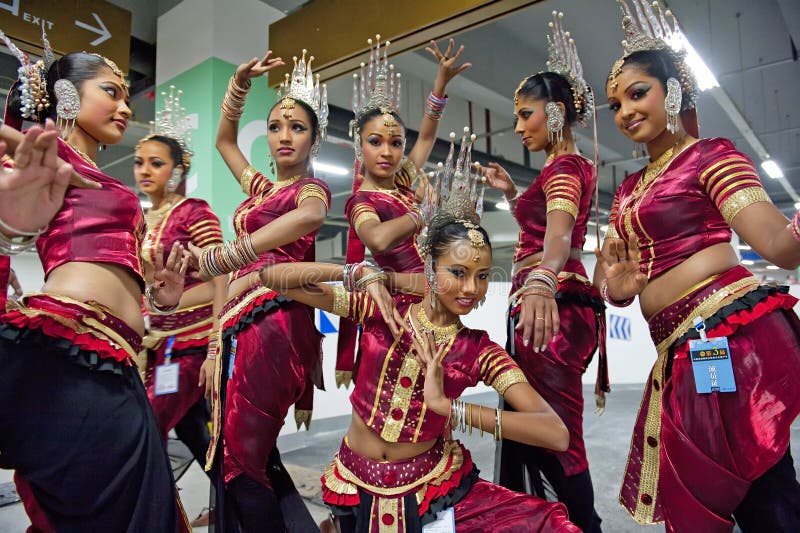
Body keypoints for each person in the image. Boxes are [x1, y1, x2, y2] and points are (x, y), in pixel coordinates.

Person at [596, 2, 800, 531]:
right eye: (615, 104)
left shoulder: (709, 156)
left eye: (637, 93)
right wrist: (618, 289)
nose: (625, 112)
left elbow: (780, 246)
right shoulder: (627, 190)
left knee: (759, 483)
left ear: (672, 92)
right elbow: (614, 283)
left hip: (729, 336)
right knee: (707, 492)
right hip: (678, 351)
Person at [258, 211, 582, 533]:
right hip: (353, 483)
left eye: (482, 276)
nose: (471, 288)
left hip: (430, 489)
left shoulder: (479, 350)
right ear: (430, 267)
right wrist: (359, 272)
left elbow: (555, 433)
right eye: (458, 272)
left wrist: (449, 408)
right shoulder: (381, 310)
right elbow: (272, 276)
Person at [0, 43, 190, 531]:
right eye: (112, 92)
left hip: (116, 360)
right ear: (66, 94)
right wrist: (6, 228)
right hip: (70, 355)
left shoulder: (94, 173)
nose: (126, 107)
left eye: (127, 96)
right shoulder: (47, 155)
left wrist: (157, 299)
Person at [197, 48, 331, 532]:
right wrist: (238, 86)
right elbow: (224, 141)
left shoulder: (308, 190)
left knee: (240, 458)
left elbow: (311, 217)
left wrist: (234, 254)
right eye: (275, 127)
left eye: (297, 127)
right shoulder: (262, 190)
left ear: (314, 139)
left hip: (276, 322)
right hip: (238, 323)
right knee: (233, 450)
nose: (284, 136)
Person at [482, 12, 606, 532]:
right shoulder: (561, 168)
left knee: (552, 432)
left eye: (524, 114)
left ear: (554, 112)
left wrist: (540, 280)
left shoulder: (564, 169)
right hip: (550, 301)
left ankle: (582, 525)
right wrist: (514, 196)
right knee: (543, 426)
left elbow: (558, 237)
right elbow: (546, 228)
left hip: (549, 305)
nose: (517, 127)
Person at [337, 36, 471, 388]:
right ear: (359, 146)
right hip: (400, 307)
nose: (387, 152)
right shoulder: (361, 201)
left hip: (431, 298)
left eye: (396, 143)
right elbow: (377, 239)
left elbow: (425, 138)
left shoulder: (402, 182)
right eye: (375, 141)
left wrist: (439, 86)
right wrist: (423, 215)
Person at [134, 86, 227, 504]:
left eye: (156, 163)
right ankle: (238, 511)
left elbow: (221, 275)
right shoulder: (140, 219)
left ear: (177, 169)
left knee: (145, 427)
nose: (145, 170)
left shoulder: (194, 212)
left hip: (189, 344)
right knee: (203, 442)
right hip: (153, 345)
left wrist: (214, 346)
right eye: (139, 162)